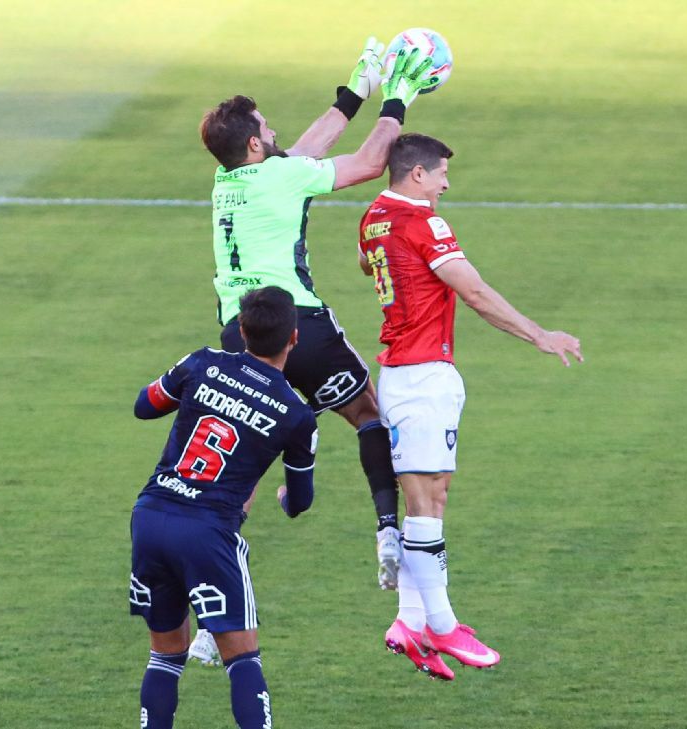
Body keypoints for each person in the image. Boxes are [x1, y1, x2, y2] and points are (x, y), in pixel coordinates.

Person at [192, 39, 440, 663]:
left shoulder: (230, 179)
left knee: (240, 473)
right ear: (252, 145)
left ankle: (205, 620)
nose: (274, 133)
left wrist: (350, 90)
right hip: (299, 328)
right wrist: (397, 98)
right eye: (264, 128)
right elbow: (362, 163)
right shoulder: (277, 173)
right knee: (369, 416)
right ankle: (388, 529)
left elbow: (299, 154)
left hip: (237, 338)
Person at [356, 133, 584, 680]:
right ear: (416, 174)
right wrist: (538, 334)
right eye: (439, 174)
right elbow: (474, 292)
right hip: (421, 373)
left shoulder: (373, 218)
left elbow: (371, 268)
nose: (445, 184)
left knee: (432, 496)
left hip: (404, 372)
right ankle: (440, 623)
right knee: (426, 503)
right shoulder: (424, 223)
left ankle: (410, 621)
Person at [128, 286, 319, 728]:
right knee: (242, 658)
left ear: (240, 330)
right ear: (294, 338)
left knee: (165, 655)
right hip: (208, 533)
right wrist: (285, 500)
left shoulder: (201, 362)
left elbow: (145, 406)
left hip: (151, 515)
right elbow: (300, 500)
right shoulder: (296, 414)